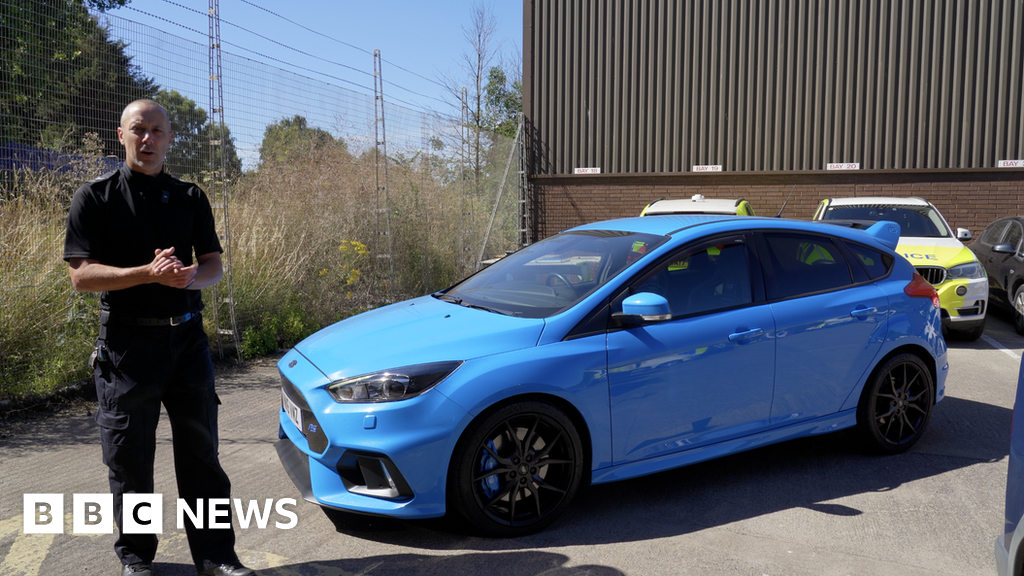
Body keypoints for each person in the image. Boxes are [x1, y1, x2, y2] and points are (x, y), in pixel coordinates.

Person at [63, 99, 256, 576]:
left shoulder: (190, 196)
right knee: (130, 462)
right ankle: (136, 560)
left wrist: (191, 278)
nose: (147, 139)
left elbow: (213, 263)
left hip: (187, 344)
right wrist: (146, 273)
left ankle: (216, 559)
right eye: (138, 130)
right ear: (121, 135)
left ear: (171, 138)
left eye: (156, 131)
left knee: (202, 457)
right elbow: (82, 275)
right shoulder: (95, 197)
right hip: (128, 348)